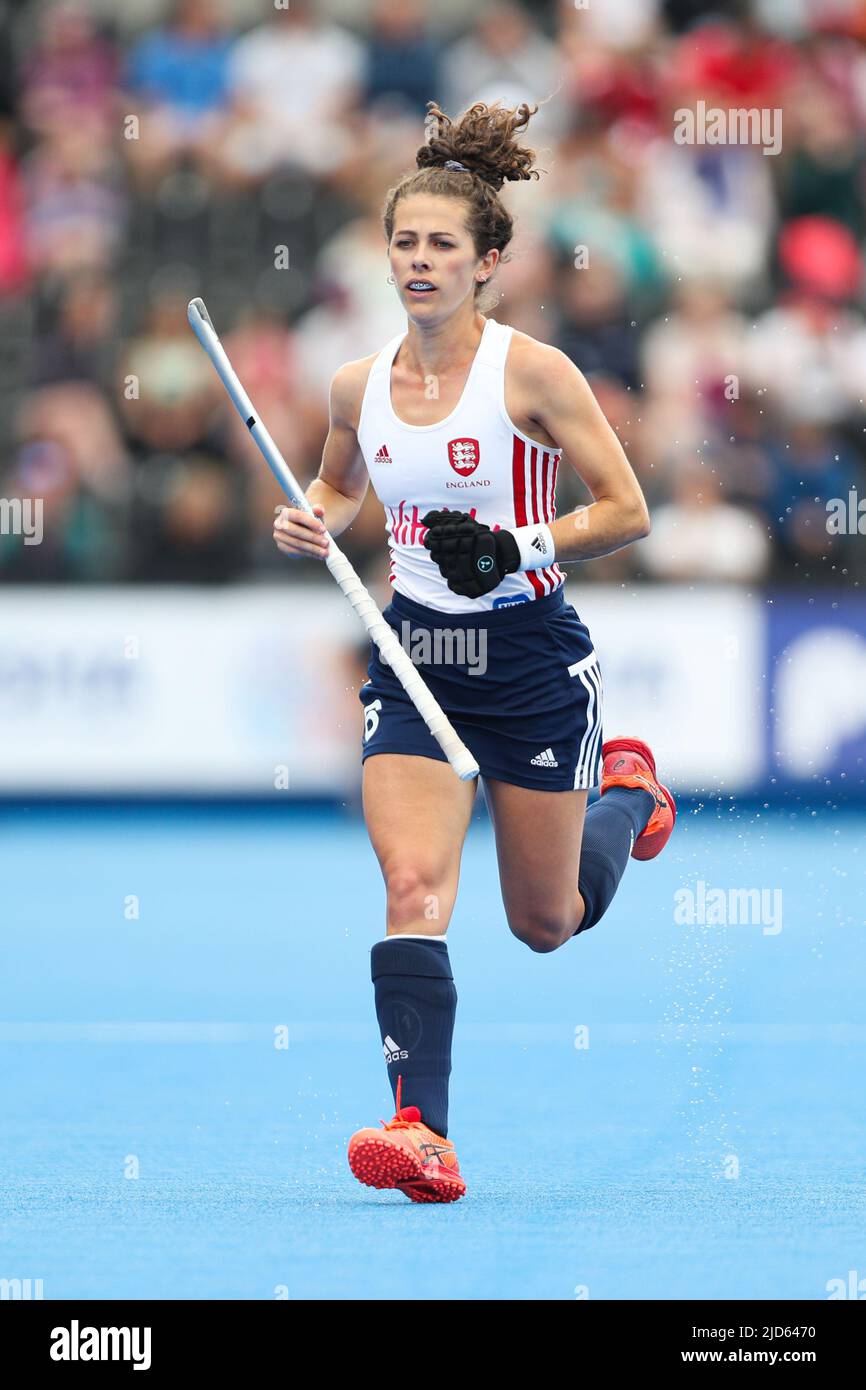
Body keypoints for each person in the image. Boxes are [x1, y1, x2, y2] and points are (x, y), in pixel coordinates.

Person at [273, 100, 676, 1203]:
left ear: (486, 260)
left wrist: (512, 544)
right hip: (412, 656)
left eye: (441, 245)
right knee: (410, 883)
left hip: (529, 656)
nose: (418, 261)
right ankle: (421, 1130)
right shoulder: (356, 384)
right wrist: (308, 516)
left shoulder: (533, 373)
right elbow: (338, 485)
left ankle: (628, 792)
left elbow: (628, 509)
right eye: (403, 243)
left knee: (544, 924)